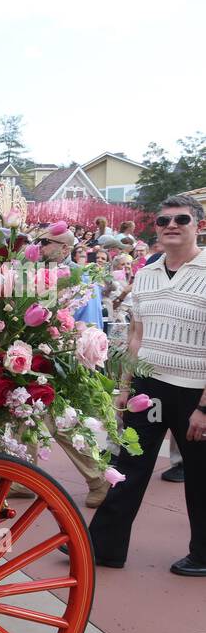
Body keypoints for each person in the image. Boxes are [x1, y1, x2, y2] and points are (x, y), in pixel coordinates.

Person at [88, 195, 206, 575]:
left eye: (181, 219)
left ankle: (203, 555)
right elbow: (137, 334)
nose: (171, 225)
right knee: (129, 466)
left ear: (198, 225)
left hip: (194, 390)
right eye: (163, 220)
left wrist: (205, 407)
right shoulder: (146, 273)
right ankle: (103, 547)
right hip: (148, 386)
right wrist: (125, 387)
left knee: (201, 477)